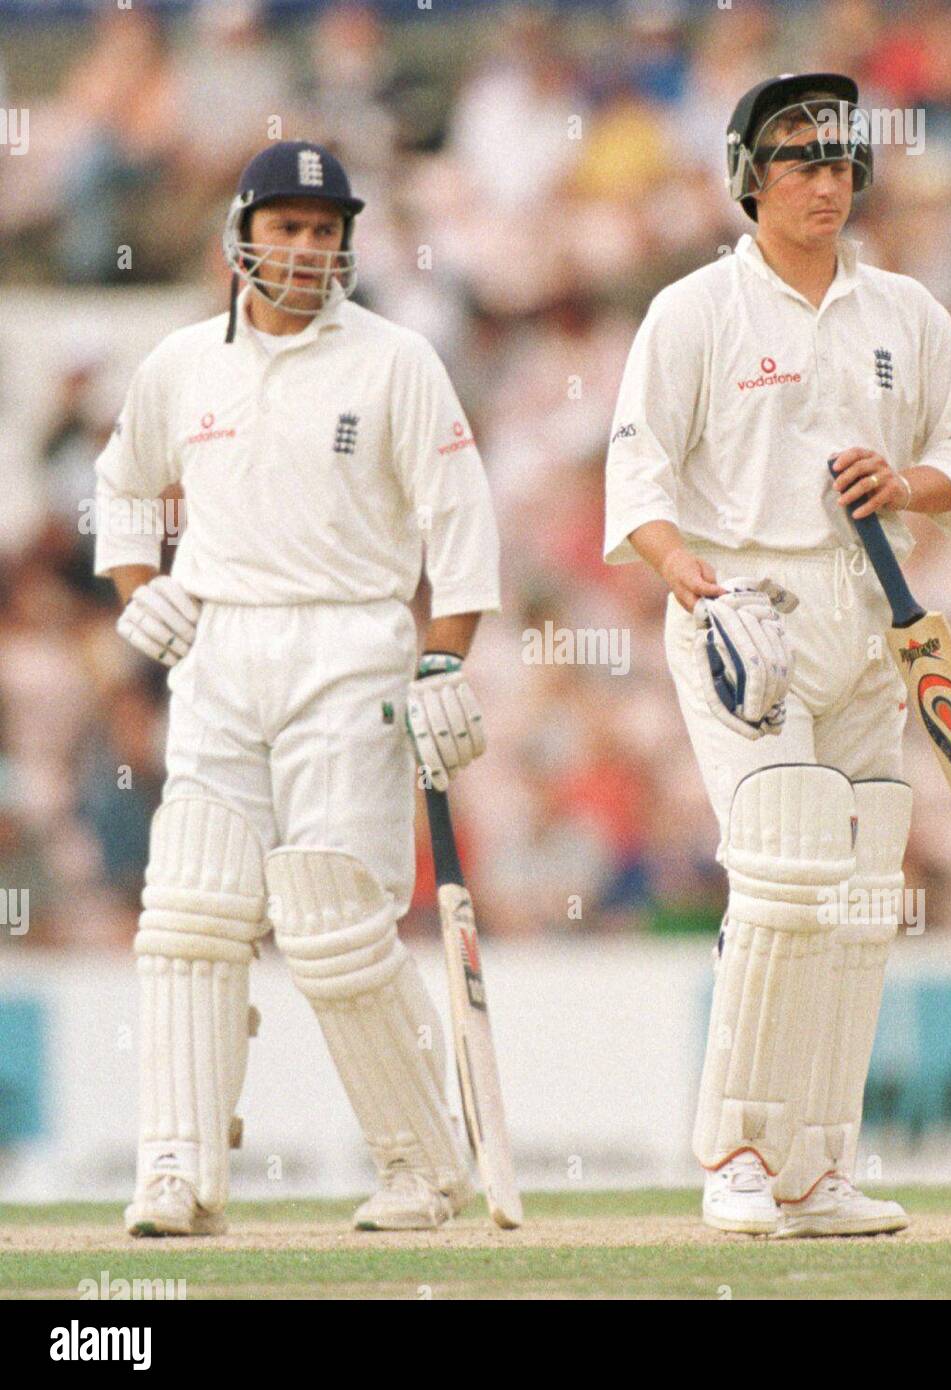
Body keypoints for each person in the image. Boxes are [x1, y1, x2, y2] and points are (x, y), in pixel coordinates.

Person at [604, 74, 951, 1236]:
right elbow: (637, 477)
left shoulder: (906, 313)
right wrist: (687, 576)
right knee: (780, 877)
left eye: (838, 160)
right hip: (743, 606)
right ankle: (733, 1149)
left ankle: (817, 1165)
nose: (825, 179)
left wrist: (906, 481)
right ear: (748, 177)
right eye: (798, 160)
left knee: (861, 894)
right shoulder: (692, 311)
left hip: (868, 617)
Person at [94, 141, 500, 1235]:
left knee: (332, 922)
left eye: (326, 231)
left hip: (353, 646)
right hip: (219, 653)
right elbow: (122, 485)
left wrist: (444, 653)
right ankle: (178, 1169)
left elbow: (459, 519)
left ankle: (422, 1167)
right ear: (243, 237)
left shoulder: (395, 359)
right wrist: (142, 587)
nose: (309, 249)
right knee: (188, 913)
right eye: (288, 228)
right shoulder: (183, 364)